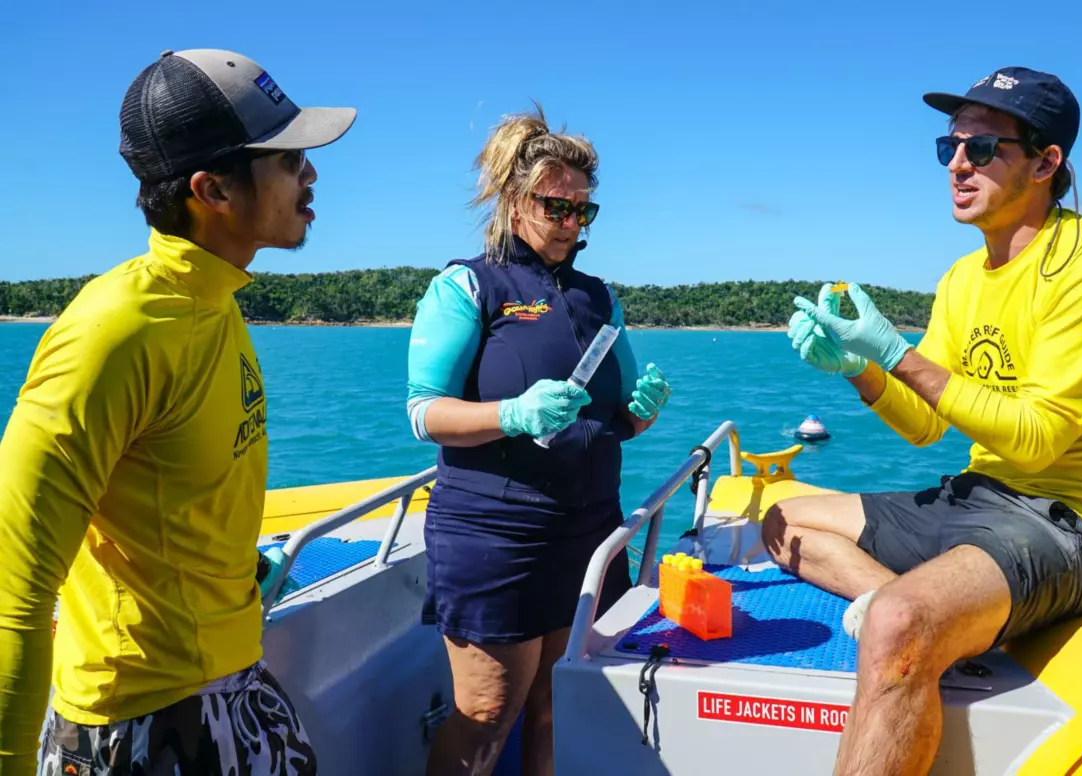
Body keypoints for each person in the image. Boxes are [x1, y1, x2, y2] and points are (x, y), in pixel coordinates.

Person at [765, 66, 1082, 776]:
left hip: (1072, 524)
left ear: (1046, 163)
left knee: (896, 626)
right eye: (948, 146)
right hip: (979, 498)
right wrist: (857, 368)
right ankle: (897, 598)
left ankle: (899, 611)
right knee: (783, 522)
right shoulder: (961, 279)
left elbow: (1039, 438)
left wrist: (894, 350)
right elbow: (924, 426)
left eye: (981, 149)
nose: (955, 164)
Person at [0, 49, 355, 774]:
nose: (310, 175)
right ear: (212, 189)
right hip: (137, 725)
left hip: (238, 687)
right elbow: (16, 595)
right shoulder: (116, 332)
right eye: (288, 159)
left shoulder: (215, 301)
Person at [406, 103, 670, 776]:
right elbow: (424, 413)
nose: (573, 224)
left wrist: (643, 412)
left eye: (586, 211)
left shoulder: (597, 297)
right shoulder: (468, 285)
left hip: (590, 534)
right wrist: (512, 414)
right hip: (496, 536)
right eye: (557, 207)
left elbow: (616, 419)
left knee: (560, 706)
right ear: (514, 200)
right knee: (488, 715)